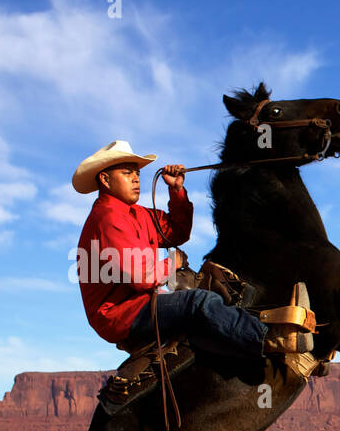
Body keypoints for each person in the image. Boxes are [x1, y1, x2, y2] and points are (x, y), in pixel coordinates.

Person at [72, 140, 292, 358]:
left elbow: (177, 232)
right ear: (105, 179)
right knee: (199, 301)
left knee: (222, 282)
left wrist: (176, 190)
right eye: (127, 173)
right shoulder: (107, 218)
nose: (136, 179)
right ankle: (268, 338)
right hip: (121, 313)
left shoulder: (139, 214)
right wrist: (173, 262)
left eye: (137, 173)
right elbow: (140, 277)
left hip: (141, 301)